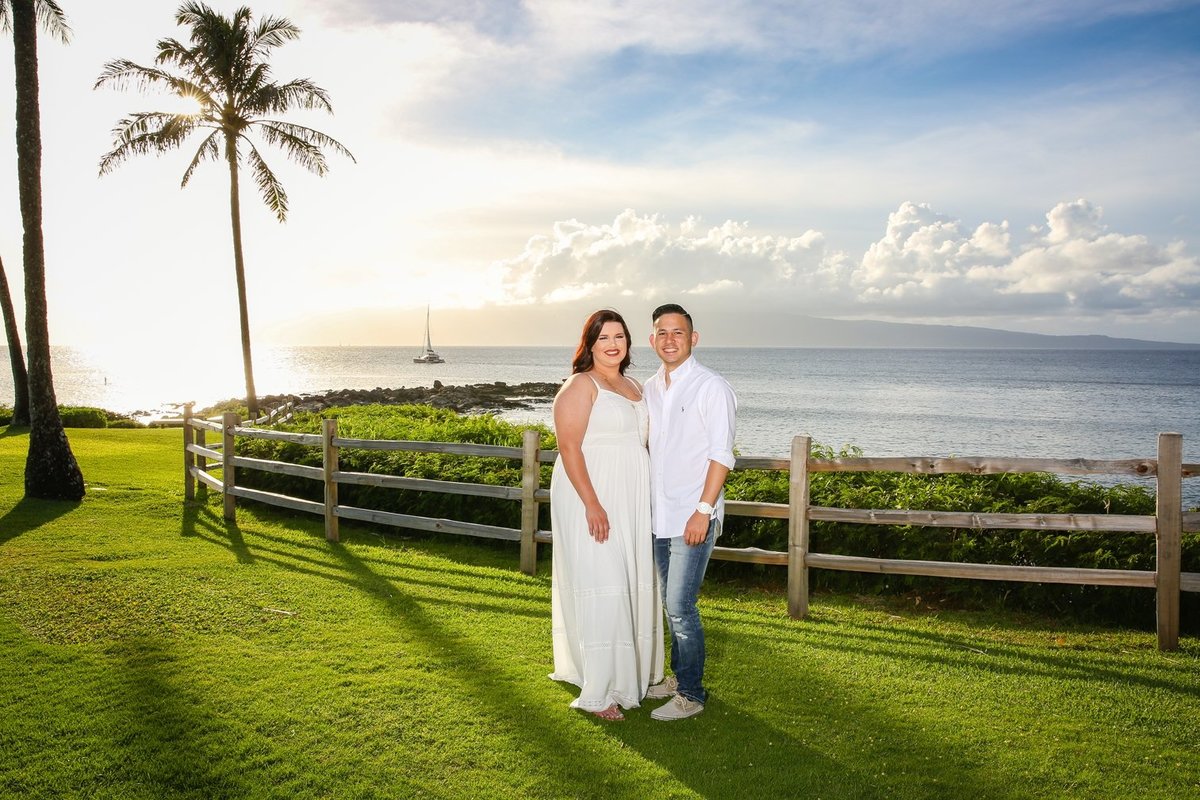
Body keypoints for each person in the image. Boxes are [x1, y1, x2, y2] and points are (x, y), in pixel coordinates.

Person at [548, 309, 664, 721]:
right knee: (606, 581)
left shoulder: (634, 385)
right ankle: (598, 691)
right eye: (604, 338)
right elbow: (569, 448)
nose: (613, 344)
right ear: (590, 344)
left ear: (629, 342)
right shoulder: (580, 385)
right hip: (591, 493)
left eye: (619, 336)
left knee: (630, 581)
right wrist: (592, 503)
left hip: (630, 496)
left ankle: (633, 674)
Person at [642, 303, 737, 721]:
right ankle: (679, 679)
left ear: (693, 338)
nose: (669, 339)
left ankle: (692, 695)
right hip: (658, 515)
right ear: (652, 340)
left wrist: (703, 510)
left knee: (682, 606)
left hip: (691, 516)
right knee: (669, 604)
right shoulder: (648, 387)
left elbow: (722, 455)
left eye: (677, 332)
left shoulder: (711, 387)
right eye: (662, 332)